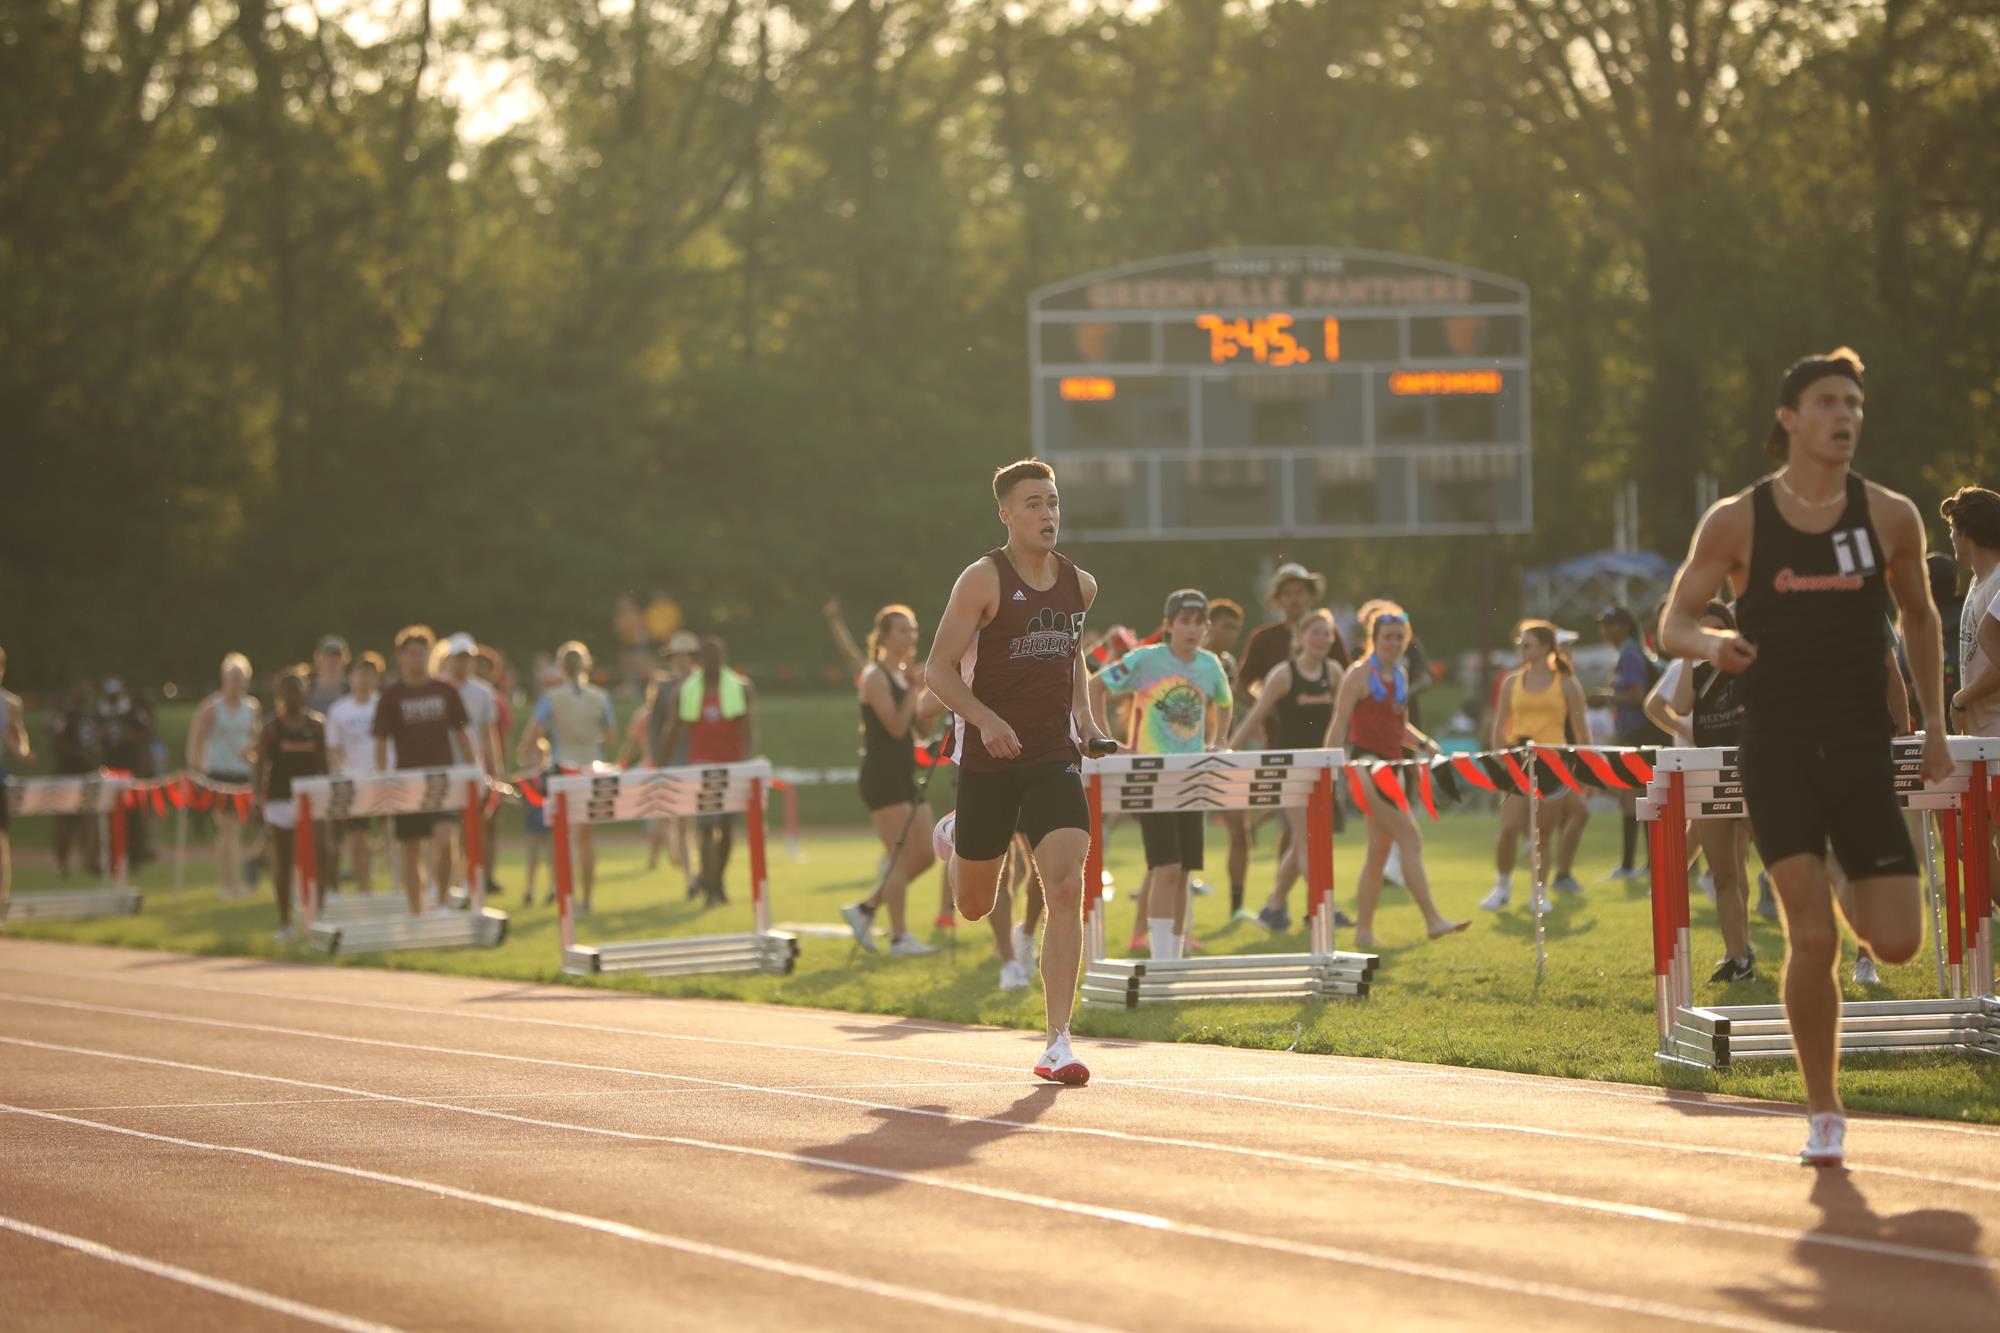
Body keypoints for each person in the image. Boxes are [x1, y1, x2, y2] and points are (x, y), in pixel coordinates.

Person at [1660, 346, 1951, 1166]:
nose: (1845, 416)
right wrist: (1713, 643)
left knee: (1895, 942)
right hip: (1778, 746)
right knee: (1810, 938)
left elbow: (1921, 620)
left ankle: (1841, 870)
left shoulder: (1890, 514)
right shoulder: (1739, 518)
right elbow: (1671, 623)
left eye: (1855, 403)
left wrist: (1929, 724)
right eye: (1828, 401)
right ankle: (1824, 1111)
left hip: (1862, 745)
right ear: (1790, 417)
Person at [925, 458, 1118, 1085]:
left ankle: (1058, 1040)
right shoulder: (982, 580)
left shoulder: (1079, 586)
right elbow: (938, 670)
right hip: (988, 757)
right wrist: (984, 721)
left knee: (1066, 886)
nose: (1048, 514)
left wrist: (1084, 723)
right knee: (975, 904)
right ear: (1006, 513)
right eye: (1033, 503)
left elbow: (1072, 660)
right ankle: (959, 837)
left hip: (1051, 758)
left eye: (1054, 503)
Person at [1091, 589, 1233, 961]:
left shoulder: (1209, 665)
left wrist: (1219, 741)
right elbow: (1096, 686)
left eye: (1198, 623)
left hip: (1192, 776)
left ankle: (1177, 952)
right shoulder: (1146, 660)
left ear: (1205, 628)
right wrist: (1107, 741)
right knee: (1165, 866)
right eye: (1182, 621)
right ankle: (1161, 957)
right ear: (1168, 625)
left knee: (1185, 869)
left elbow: (1225, 701)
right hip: (1151, 778)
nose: (1191, 630)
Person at [1325, 610, 1468, 949]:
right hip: (1367, 767)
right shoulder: (1358, 674)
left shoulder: (1400, 674)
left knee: (1377, 854)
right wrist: (1328, 767)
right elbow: (1340, 723)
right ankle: (1433, 920)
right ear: (1374, 639)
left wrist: (1425, 744)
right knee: (1411, 838)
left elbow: (1396, 727)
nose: (1393, 643)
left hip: (1395, 767)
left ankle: (1363, 932)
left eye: (1399, 637)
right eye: (1387, 637)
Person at [1645, 602, 1758, 980]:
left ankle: (1803, 948)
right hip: (1708, 773)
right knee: (1724, 874)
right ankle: (1738, 958)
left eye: (1716, 631)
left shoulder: (1748, 660)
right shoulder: (1690, 668)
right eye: (1702, 632)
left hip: (1752, 771)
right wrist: (1693, 658)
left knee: (1773, 864)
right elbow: (1678, 706)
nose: (1710, 638)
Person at [838, 606, 945, 958]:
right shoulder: (875, 676)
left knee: (926, 855)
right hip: (881, 776)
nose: (910, 637)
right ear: (884, 637)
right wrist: (914, 689)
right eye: (902, 631)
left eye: (913, 630)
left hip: (903, 773)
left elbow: (919, 729)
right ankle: (899, 938)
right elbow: (896, 727)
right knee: (899, 858)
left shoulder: (904, 675)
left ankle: (866, 909)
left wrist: (930, 696)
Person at [1227, 609, 1341, 932]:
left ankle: (1273, 906)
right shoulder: (1283, 674)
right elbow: (1255, 716)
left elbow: (1346, 716)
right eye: (1316, 632)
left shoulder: (1333, 673)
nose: (1322, 639)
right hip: (1288, 767)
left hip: (1321, 769)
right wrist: (1228, 751)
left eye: (1327, 634)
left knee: (1304, 839)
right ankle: (1324, 907)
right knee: (1308, 839)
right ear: (1301, 636)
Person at [1481, 621, 1594, 911]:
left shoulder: (1567, 683)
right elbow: (1499, 723)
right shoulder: (1511, 681)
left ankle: (1537, 894)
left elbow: (1581, 732)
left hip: (1553, 763)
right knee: (1509, 827)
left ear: (1545, 647)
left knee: (1544, 833)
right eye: (1520, 643)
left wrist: (1586, 771)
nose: (1521, 648)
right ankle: (1502, 887)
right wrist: (1499, 756)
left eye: (1527, 643)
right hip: (1518, 762)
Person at [372, 625, 474, 915]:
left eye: (422, 653)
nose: (417, 659)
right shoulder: (392, 696)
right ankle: (417, 910)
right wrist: (383, 779)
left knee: (444, 838)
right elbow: (380, 741)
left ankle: (442, 902)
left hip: (442, 779)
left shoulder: (445, 691)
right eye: (412, 654)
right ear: (401, 657)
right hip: (406, 782)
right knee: (411, 848)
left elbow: (462, 734)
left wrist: (474, 770)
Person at [519, 641, 616, 911]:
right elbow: (610, 738)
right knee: (585, 838)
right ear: (587, 665)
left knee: (565, 837)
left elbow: (533, 733)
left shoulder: (552, 697)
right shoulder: (600, 696)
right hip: (591, 769)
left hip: (563, 771)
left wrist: (524, 754)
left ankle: (567, 895)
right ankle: (586, 898)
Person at [661, 637, 757, 907]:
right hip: (701, 765)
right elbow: (673, 728)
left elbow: (749, 728)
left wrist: (747, 763)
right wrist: (661, 766)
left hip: (732, 765)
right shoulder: (687, 690)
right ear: (699, 662)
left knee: (727, 829)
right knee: (705, 829)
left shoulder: (740, 687)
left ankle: (718, 880)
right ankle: (710, 888)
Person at [252, 668, 328, 943]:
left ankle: (316, 913)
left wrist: (326, 798)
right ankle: (285, 920)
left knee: (320, 855)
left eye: (298, 689)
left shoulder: (316, 725)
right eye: (288, 691)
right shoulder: (271, 729)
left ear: (306, 691)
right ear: (280, 695)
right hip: (280, 799)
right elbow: (260, 766)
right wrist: (255, 801)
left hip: (312, 800)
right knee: (283, 860)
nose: (294, 696)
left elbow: (324, 765)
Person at [1593, 605, 1663, 882]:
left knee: (1639, 797)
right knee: (1632, 797)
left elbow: (1637, 696)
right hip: (1634, 735)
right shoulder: (1630, 652)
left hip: (1642, 735)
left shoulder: (1631, 654)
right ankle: (1635, 863)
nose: (1605, 631)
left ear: (1623, 626)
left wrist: (1606, 698)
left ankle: (1640, 864)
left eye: (1609, 624)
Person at [186, 653, 260, 900]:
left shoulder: (252, 707)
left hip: (242, 774)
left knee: (232, 830)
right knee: (229, 829)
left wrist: (251, 751)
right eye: (231, 678)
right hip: (218, 773)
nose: (235, 683)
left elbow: (257, 738)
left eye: (239, 678)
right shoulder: (211, 707)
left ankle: (229, 880)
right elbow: (197, 737)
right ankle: (229, 883)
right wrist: (196, 768)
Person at [1198, 598, 1254, 917]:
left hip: (1223, 756)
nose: (1231, 634)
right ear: (1210, 625)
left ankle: (1237, 906)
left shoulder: (1229, 663)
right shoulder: (1191, 660)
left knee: (1240, 830)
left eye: (1236, 628)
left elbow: (1230, 703)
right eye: (1225, 626)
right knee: (1184, 838)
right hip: (1190, 758)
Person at [443, 633, 504, 898]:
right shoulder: (441, 688)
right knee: (447, 830)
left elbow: (488, 733)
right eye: (459, 658)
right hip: (446, 766)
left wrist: (496, 770)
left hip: (473, 769)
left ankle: (470, 881)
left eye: (467, 658)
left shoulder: (483, 692)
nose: (463, 663)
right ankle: (451, 882)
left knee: (472, 828)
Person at [324, 651, 385, 894]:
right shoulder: (340, 710)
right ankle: (364, 887)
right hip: (354, 781)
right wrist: (343, 770)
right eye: (361, 673)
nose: (365, 679)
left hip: (383, 779)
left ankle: (404, 884)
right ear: (351, 677)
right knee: (358, 837)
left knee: (394, 835)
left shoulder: (383, 705)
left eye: (371, 674)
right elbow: (332, 748)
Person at [97, 676, 158, 869]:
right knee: (109, 816)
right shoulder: (101, 713)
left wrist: (129, 737)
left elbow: (148, 732)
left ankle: (136, 856)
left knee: (134, 816)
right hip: (109, 771)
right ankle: (112, 858)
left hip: (132, 771)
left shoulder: (133, 712)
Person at [48, 682, 101, 878]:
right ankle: (62, 863)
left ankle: (89, 860)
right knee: (64, 822)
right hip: (66, 776)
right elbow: (57, 741)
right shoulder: (66, 715)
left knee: (88, 819)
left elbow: (95, 743)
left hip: (86, 776)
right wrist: (80, 754)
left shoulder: (90, 717)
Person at [0, 648, 28, 929]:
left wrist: (23, 752)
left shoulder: (9, 704)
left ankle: (1, 909)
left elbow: (17, 737)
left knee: (1, 847)